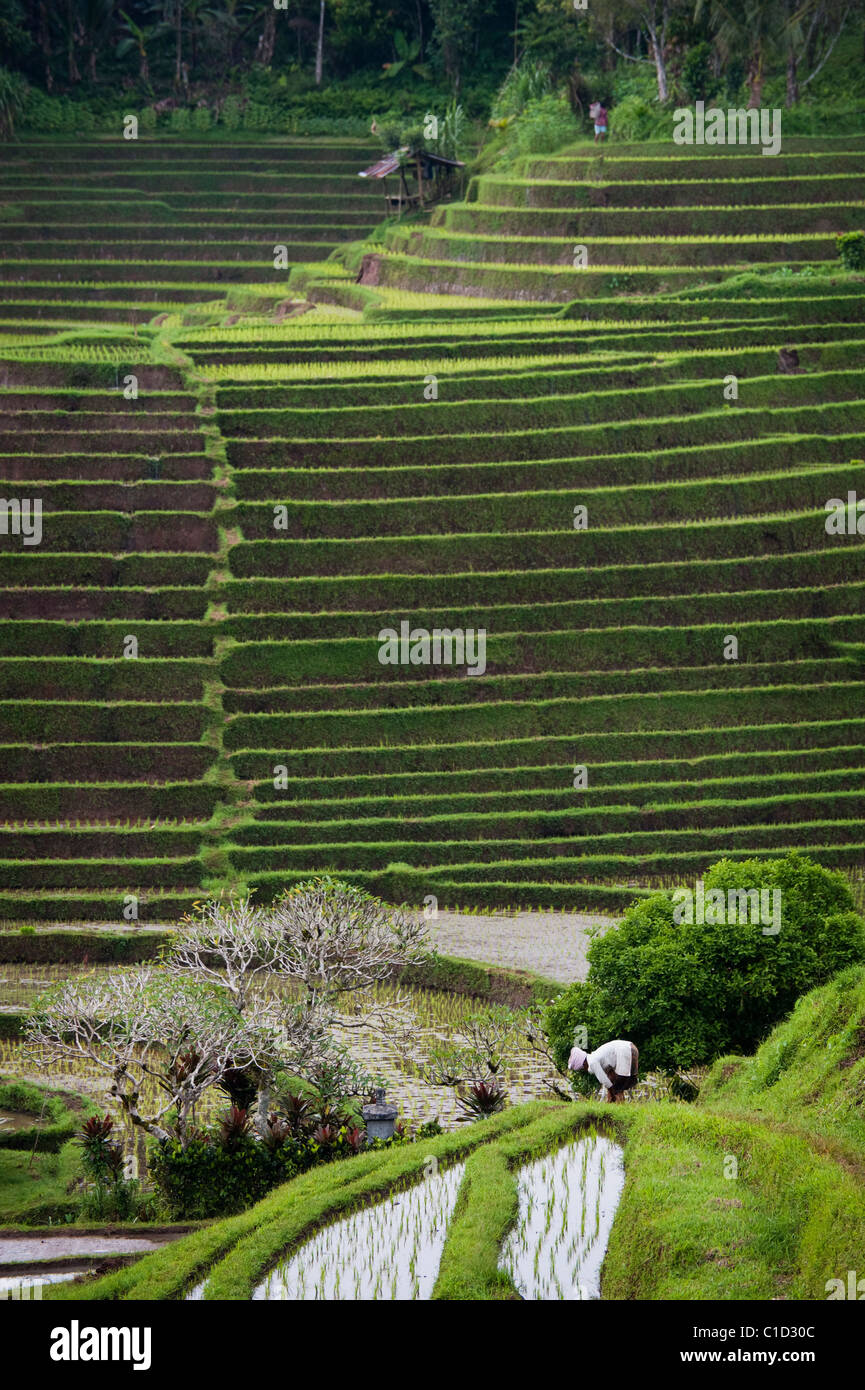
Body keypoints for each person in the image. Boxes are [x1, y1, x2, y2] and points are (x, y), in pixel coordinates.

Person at [568, 1038, 638, 1102]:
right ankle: (619, 1106)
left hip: (624, 1050)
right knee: (619, 1084)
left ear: (584, 1064)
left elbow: (604, 1081)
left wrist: (612, 1095)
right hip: (631, 1047)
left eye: (583, 1069)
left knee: (618, 1087)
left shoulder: (592, 1062)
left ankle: (619, 1107)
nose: (585, 1070)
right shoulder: (596, 1055)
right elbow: (611, 1076)